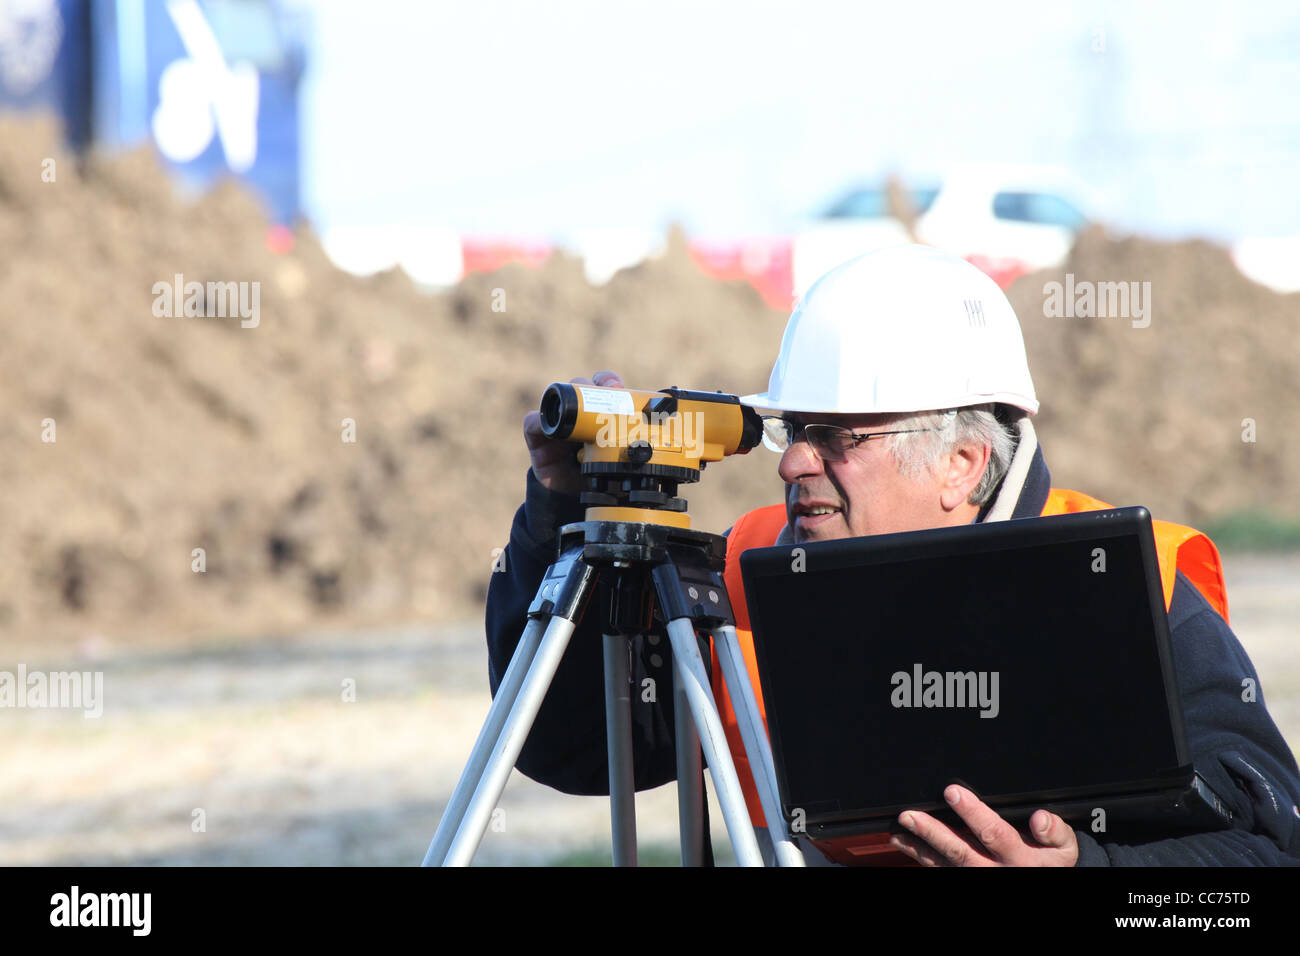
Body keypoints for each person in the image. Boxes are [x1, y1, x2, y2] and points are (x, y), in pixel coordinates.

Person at [485, 244, 1300, 866]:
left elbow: (1267, 851)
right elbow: (570, 745)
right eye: (793, 430)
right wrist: (560, 506)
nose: (794, 461)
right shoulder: (744, 576)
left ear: (962, 464)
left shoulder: (1128, 584)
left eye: (837, 436)